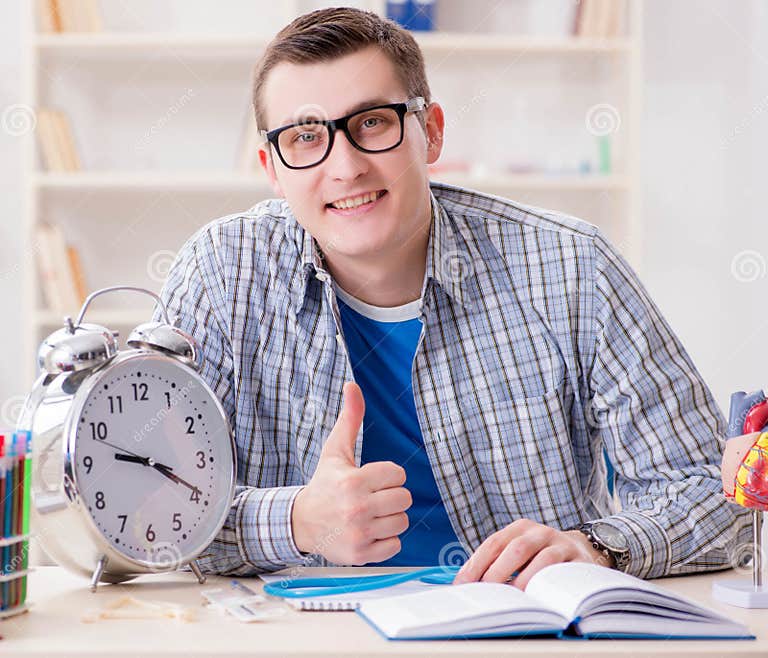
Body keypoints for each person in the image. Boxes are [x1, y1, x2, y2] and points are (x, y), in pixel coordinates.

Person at [156, 7, 751, 589]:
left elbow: (721, 494)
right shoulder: (221, 272)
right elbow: (141, 505)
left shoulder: (573, 266)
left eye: (372, 123)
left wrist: (598, 547)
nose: (345, 167)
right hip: (288, 631)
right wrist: (295, 522)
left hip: (519, 626)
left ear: (432, 131)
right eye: (306, 137)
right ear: (271, 168)